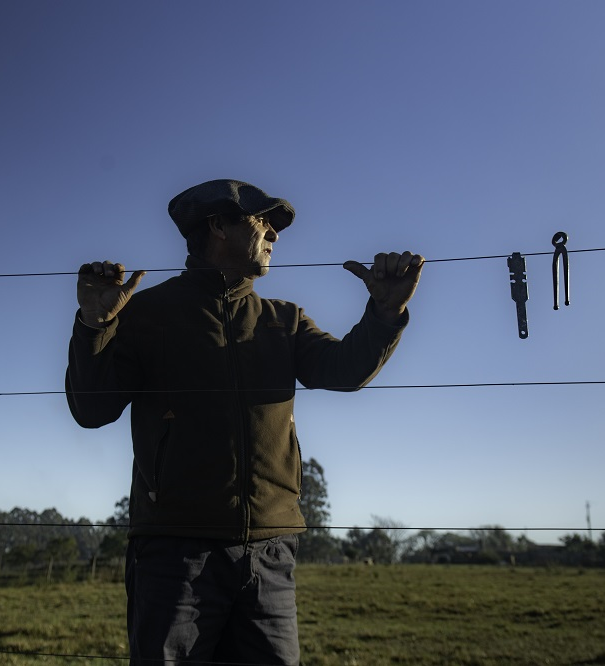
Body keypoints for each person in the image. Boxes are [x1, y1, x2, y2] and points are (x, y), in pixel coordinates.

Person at [65, 179, 424, 665]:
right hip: (176, 554)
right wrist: (95, 325)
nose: (274, 235)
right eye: (262, 222)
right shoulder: (146, 313)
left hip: (271, 553)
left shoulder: (284, 319)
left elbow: (343, 371)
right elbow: (92, 409)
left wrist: (386, 311)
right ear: (217, 225)